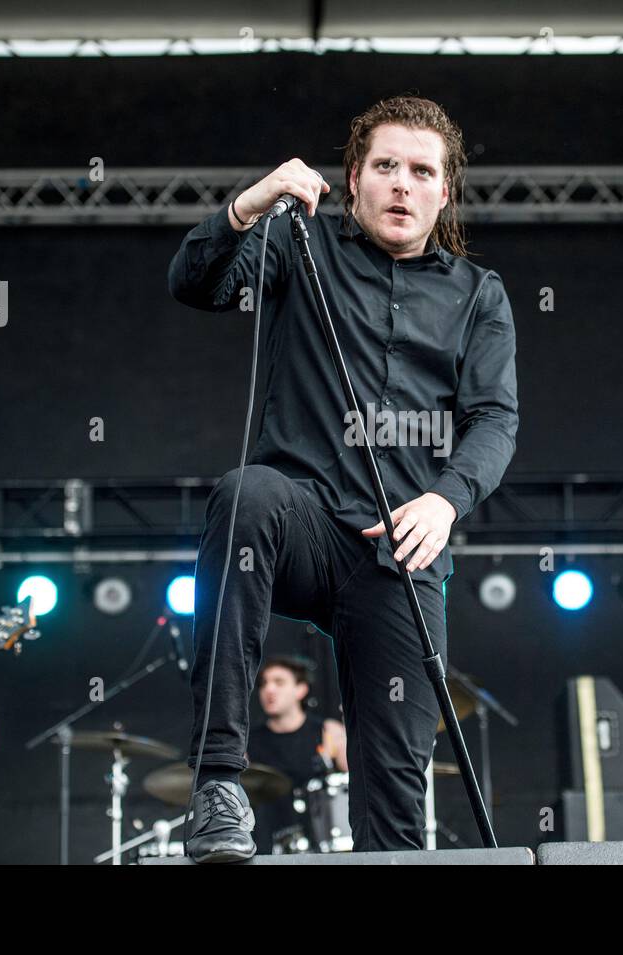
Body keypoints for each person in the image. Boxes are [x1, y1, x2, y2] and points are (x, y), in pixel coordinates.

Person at [168, 94, 518, 862]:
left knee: (396, 800)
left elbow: (496, 421)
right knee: (244, 493)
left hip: (401, 550)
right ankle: (219, 783)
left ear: (444, 190)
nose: (402, 184)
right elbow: (195, 282)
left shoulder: (478, 296)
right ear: (353, 178)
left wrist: (446, 499)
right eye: (385, 166)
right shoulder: (300, 246)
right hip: (301, 525)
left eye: (420, 171)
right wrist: (251, 203)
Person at [245, 656, 347, 853]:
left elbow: (352, 780)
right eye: (264, 683)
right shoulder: (248, 740)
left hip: (323, 846)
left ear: (301, 689)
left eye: (279, 682)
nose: (269, 690)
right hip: (268, 846)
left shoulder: (328, 731)